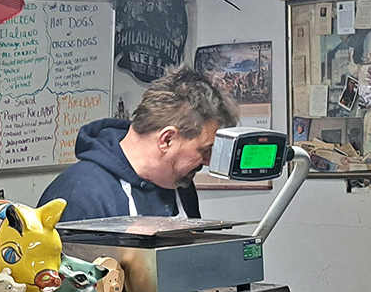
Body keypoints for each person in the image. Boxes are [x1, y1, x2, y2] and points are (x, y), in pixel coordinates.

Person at [38, 66, 237, 221]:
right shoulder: (79, 195)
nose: (207, 161)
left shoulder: (181, 187)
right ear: (167, 139)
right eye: (204, 150)